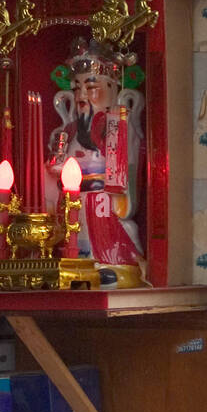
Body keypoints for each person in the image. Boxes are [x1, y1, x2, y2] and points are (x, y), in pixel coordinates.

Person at [46, 37, 146, 281]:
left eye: (91, 88)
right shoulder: (68, 132)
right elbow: (53, 170)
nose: (82, 95)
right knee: (73, 247)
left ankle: (113, 266)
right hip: (74, 204)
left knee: (115, 244)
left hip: (106, 202)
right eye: (77, 87)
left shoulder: (118, 127)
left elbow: (125, 170)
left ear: (113, 89)